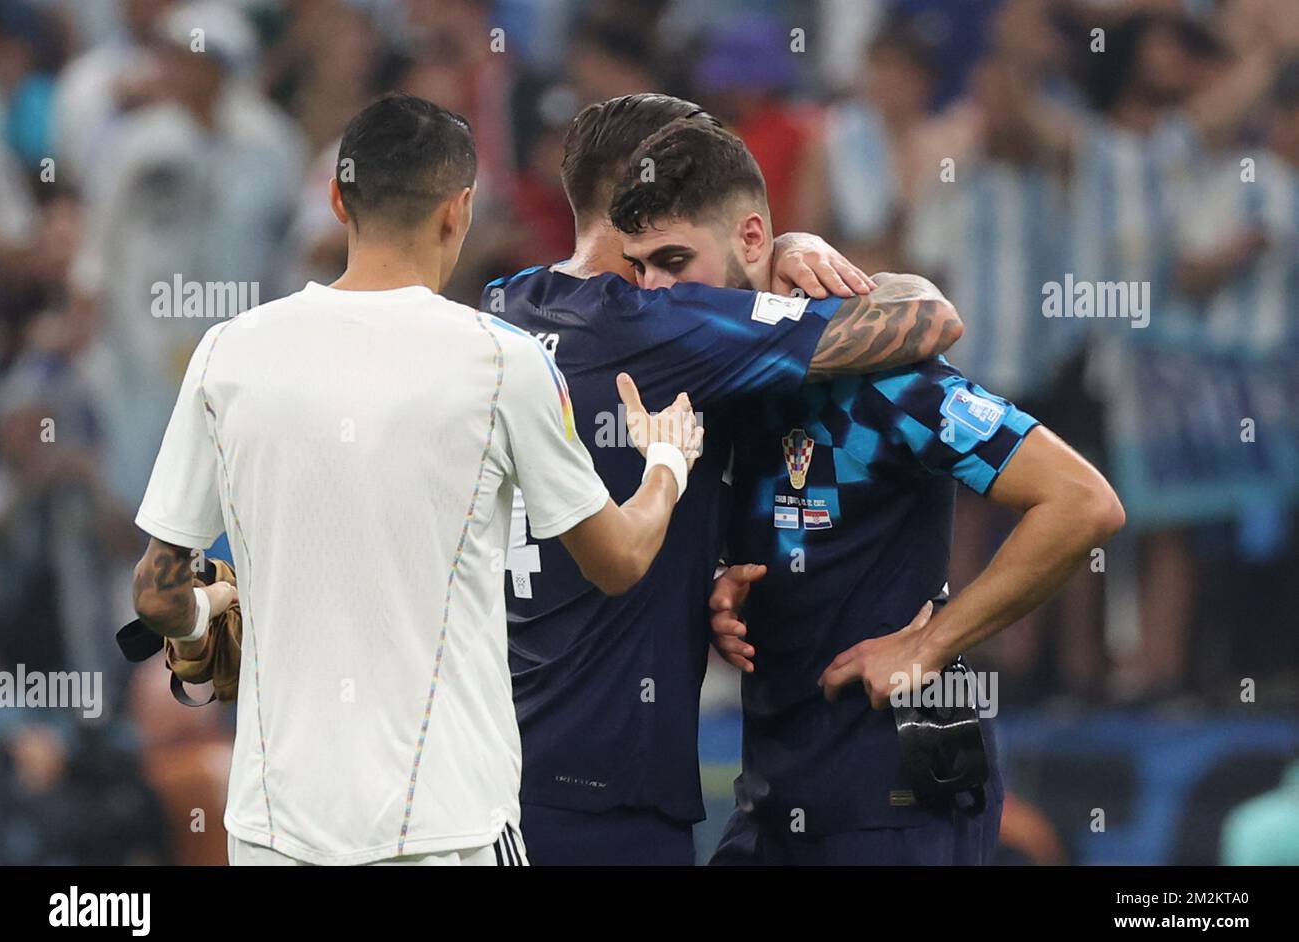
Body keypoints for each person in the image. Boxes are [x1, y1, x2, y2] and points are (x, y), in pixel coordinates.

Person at [128, 93, 702, 867]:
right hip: (447, 827)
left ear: (336, 198)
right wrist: (666, 464)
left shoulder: (227, 353)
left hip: (272, 831)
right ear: (458, 209)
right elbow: (619, 561)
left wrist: (204, 619)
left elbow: (155, 594)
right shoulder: (502, 362)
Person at [609, 118, 1125, 865]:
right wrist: (722, 595)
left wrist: (932, 642)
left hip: (903, 792)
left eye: (673, 261)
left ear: (751, 239)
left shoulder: (880, 374)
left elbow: (1084, 502)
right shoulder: (711, 386)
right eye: (639, 269)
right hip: (780, 792)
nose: (655, 292)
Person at [482, 92, 962, 864]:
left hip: (494, 767)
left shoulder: (507, 304)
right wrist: (783, 255)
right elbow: (928, 323)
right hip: (608, 783)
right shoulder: (661, 324)